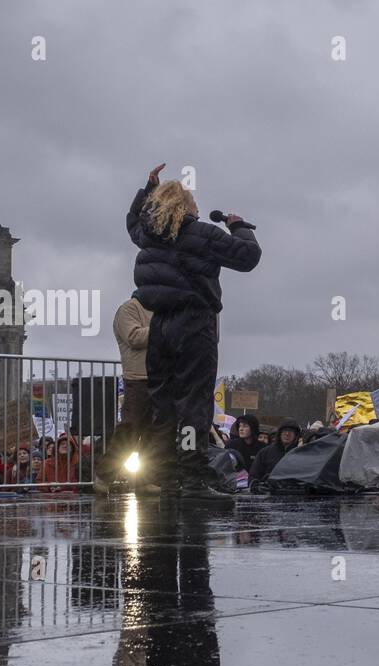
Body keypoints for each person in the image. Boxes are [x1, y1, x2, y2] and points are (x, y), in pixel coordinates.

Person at [127, 163, 261, 508]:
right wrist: (239, 225)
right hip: (194, 325)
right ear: (185, 207)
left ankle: (166, 477)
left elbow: (132, 224)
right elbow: (248, 257)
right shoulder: (200, 233)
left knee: (164, 405)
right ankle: (193, 476)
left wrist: (146, 189)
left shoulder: (149, 234)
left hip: (160, 325)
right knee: (193, 405)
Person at [95, 296, 153, 495]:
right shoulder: (128, 309)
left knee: (153, 433)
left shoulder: (160, 309)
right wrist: (164, 329)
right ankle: (104, 474)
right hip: (137, 377)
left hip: (160, 376)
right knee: (130, 428)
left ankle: (147, 479)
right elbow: (134, 337)